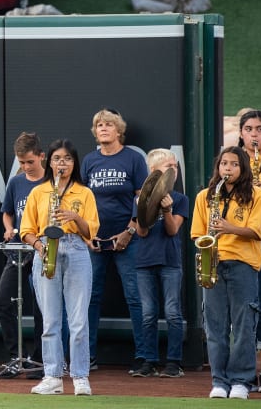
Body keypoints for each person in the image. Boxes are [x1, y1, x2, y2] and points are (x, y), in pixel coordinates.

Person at [20, 139, 99, 396]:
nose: (61, 163)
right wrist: (40, 247)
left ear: (73, 162)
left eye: (66, 158)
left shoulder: (84, 193)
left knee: (78, 321)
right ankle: (52, 376)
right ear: (49, 162)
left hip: (76, 249)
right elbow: (26, 231)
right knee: (51, 321)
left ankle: (80, 377)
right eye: (56, 158)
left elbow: (91, 232)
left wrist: (75, 217)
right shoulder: (39, 192)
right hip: (46, 250)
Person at [192, 146, 261, 399]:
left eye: (234, 164)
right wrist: (208, 240)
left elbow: (256, 232)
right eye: (224, 164)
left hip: (243, 264)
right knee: (215, 327)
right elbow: (196, 234)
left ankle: (241, 382)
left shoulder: (256, 195)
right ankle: (219, 381)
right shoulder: (205, 195)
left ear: (243, 168)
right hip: (214, 263)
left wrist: (228, 227)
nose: (228, 169)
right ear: (218, 167)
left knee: (245, 326)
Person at [80, 109, 148, 372]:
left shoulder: (133, 159)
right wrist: (88, 234)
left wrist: (130, 231)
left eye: (108, 125)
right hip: (96, 241)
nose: (103, 128)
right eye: (99, 125)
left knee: (135, 297)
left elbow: (142, 198)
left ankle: (144, 356)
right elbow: (82, 200)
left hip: (127, 240)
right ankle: (87, 356)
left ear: (119, 130)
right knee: (90, 298)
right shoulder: (89, 161)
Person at [132, 149, 188, 379]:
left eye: (175, 166)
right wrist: (147, 208)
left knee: (173, 313)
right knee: (148, 313)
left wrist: (167, 210)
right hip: (145, 262)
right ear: (155, 172)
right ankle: (149, 361)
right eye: (169, 166)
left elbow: (173, 230)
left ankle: (174, 362)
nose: (174, 169)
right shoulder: (139, 199)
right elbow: (142, 232)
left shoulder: (181, 199)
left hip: (170, 261)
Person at [0, 132, 47, 371]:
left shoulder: (51, 183)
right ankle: (17, 357)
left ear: (41, 157)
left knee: (41, 307)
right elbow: (7, 212)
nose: (25, 167)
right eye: (21, 162)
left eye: (30, 162)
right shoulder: (16, 182)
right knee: (2, 300)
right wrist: (8, 229)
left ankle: (39, 360)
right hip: (18, 250)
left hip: (43, 251)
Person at [234, 109, 261, 390]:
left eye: (260, 129)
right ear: (241, 132)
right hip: (243, 240)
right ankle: (245, 372)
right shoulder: (233, 160)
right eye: (249, 129)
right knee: (248, 306)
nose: (254, 135)